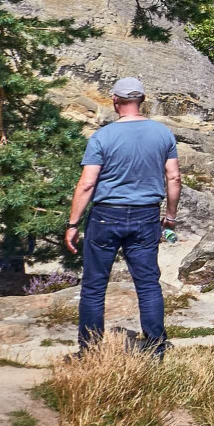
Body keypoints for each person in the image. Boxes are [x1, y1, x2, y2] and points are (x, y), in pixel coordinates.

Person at [66, 78, 180, 355]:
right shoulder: (163, 133)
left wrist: (72, 224)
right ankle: (155, 348)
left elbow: (87, 184)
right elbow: (174, 177)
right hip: (146, 216)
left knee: (94, 287)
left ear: (115, 101)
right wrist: (171, 217)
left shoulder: (102, 137)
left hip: (106, 215)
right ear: (142, 100)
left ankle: (90, 351)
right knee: (148, 284)